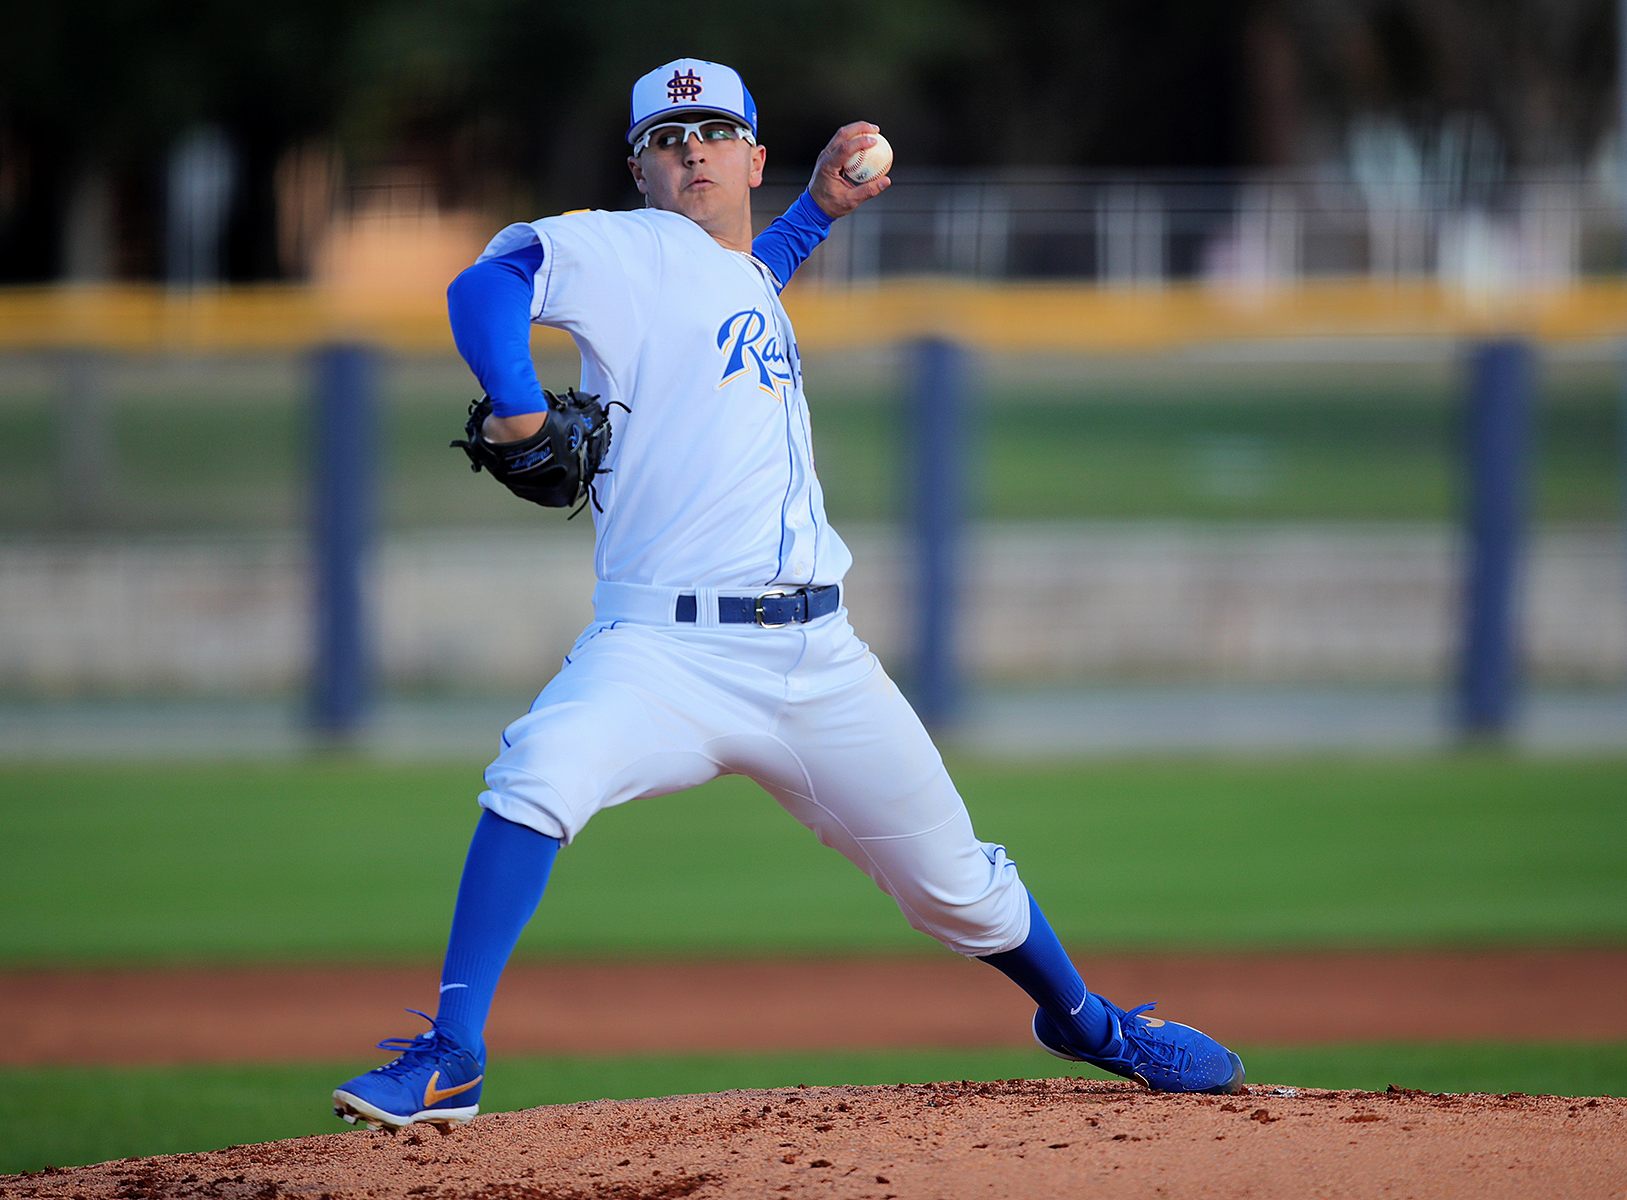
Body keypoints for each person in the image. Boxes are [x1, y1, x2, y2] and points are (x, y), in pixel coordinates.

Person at [332, 58, 1243, 1130]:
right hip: (661, 653)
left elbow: (741, 282)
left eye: (713, 133)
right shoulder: (627, 248)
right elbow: (484, 286)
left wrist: (817, 211)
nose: (691, 152)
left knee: (961, 887)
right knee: (537, 774)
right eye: (667, 141)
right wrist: (523, 412)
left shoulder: (734, 274)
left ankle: (1093, 1026)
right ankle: (453, 1053)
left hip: (818, 659)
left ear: (752, 157)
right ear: (640, 168)